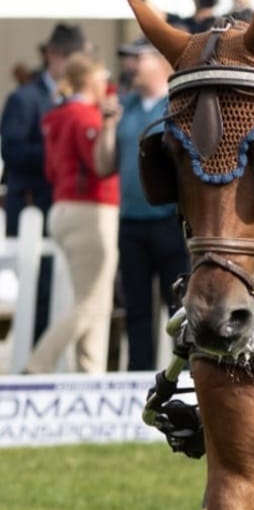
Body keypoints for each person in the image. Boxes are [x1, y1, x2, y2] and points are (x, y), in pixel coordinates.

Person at [94, 40, 189, 371]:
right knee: (136, 308)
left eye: (137, 58)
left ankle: (187, 380)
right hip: (131, 222)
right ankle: (138, 376)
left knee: (178, 307)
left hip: (168, 221)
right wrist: (107, 126)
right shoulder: (126, 105)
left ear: (160, 61)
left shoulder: (176, 105)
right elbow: (103, 166)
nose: (130, 65)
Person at [24, 55, 119, 374]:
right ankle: (39, 363)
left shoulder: (57, 116)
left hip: (62, 206)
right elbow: (100, 165)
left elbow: (51, 169)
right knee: (91, 301)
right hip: (90, 208)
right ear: (90, 81)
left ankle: (89, 376)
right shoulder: (85, 117)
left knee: (95, 301)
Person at [1, 21, 89, 340]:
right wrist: (58, 152)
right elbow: (11, 151)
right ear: (53, 56)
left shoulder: (79, 99)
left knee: (64, 291)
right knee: (36, 291)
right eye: (70, 56)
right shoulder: (25, 99)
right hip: (33, 204)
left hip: (68, 209)